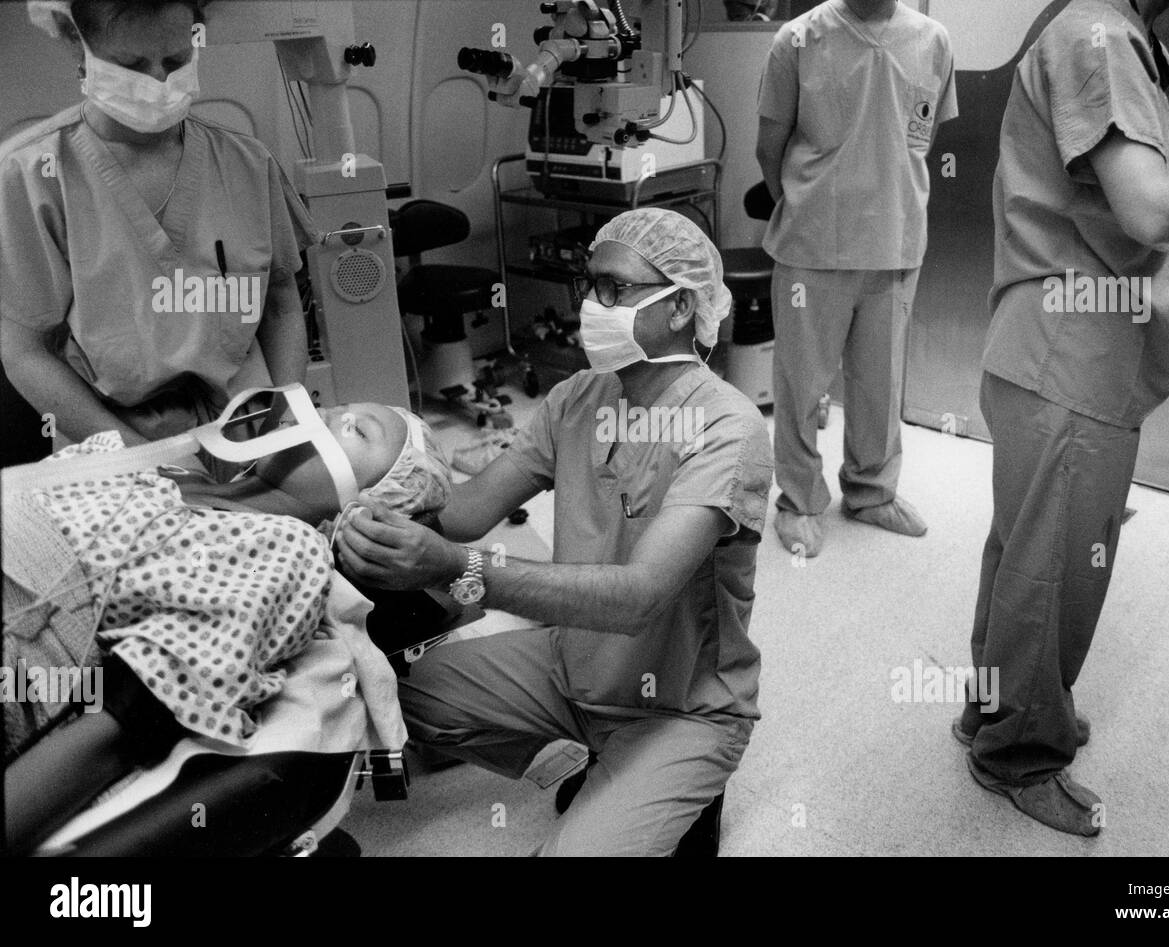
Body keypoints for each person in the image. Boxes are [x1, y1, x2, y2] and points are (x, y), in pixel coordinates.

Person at [956, 0, 1169, 837]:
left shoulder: (1130, 40)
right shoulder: (1100, 40)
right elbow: (1148, 211)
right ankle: (1019, 753)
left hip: (1053, 350)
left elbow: (1160, 175)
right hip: (1073, 357)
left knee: (1025, 549)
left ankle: (990, 709)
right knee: (1054, 571)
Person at [336, 208, 774, 857]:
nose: (588, 305)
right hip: (575, 665)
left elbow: (636, 596)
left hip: (682, 706)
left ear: (681, 306)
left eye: (614, 288)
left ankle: (683, 787)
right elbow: (465, 511)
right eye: (589, 284)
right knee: (404, 701)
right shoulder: (577, 399)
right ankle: (582, 756)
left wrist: (452, 566)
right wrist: (376, 477)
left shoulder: (726, 431)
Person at [3, 398, 450, 852]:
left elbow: (136, 710)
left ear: (358, 514)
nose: (331, 414)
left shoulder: (287, 548)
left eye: (360, 431)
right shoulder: (172, 467)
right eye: (341, 406)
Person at [0, 0, 316, 471]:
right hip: (111, 443)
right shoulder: (32, 175)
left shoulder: (246, 162)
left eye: (175, 61)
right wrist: (141, 461)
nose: (157, 83)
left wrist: (280, 421)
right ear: (75, 41)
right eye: (130, 66)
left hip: (252, 426)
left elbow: (281, 302)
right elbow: (24, 350)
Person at [755, 0, 957, 557]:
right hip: (812, 242)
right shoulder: (797, 40)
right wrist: (804, 206)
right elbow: (768, 146)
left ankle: (870, 492)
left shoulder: (933, 40)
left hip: (894, 241)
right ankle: (797, 501)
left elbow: (918, 140)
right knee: (800, 383)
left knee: (881, 379)